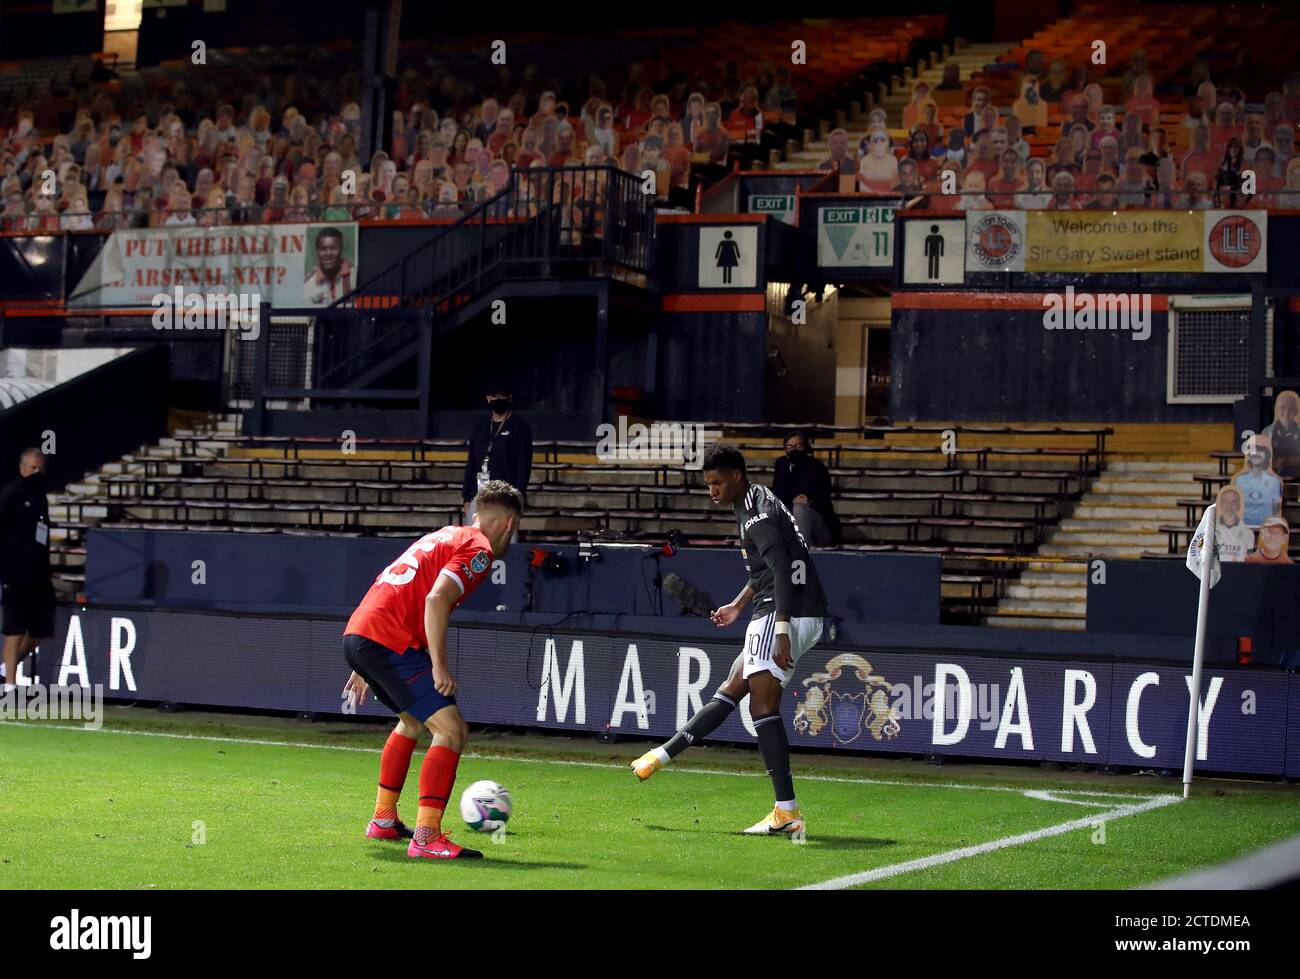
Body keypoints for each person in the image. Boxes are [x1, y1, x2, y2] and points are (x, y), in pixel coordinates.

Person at [630, 444, 829, 837]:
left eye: (717, 482)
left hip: (784, 610)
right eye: (707, 484)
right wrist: (738, 605)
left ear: (736, 475)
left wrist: (784, 630)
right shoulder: (758, 499)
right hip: (782, 608)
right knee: (733, 687)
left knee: (761, 705)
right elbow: (765, 569)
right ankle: (661, 755)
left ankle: (786, 811)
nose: (712, 491)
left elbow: (784, 570)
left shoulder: (755, 516)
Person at [341, 481, 523, 860]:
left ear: (476, 513)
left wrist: (364, 653)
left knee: (411, 721)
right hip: (386, 640)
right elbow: (436, 598)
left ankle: (384, 819)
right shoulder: (479, 549)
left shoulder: (445, 534)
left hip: (363, 632)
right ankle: (426, 838)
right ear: (509, 523)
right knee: (451, 729)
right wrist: (440, 665)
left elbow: (392, 582)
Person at [0, 449, 53, 692]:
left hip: (39, 574)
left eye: (40, 469)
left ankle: (3, 670)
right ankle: (10, 686)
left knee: (40, 630)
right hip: (15, 572)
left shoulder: (41, 496)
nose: (37, 473)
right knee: (14, 628)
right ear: (22, 468)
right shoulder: (11, 494)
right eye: (33, 468)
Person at [461, 382, 533, 525]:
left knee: (505, 542)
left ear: (509, 398)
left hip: (505, 499)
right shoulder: (481, 426)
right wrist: (466, 497)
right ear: (488, 398)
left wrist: (517, 498)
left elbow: (523, 466)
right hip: (480, 496)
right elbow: (472, 461)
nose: (498, 399)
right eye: (494, 396)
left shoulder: (519, 427)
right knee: (475, 542)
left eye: (502, 396)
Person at [771, 431, 840, 546]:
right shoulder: (781, 464)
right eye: (790, 446)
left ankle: (802, 556)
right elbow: (778, 494)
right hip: (790, 517)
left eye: (798, 446)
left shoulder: (816, 466)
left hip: (819, 525)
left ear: (805, 447)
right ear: (785, 449)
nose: (794, 450)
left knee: (800, 509)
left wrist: (807, 501)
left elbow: (822, 497)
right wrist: (792, 500)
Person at [303, 227, 353, 305]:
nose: (328, 253)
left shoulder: (354, 275)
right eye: (323, 249)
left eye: (333, 248)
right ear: (317, 252)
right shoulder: (308, 283)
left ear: (341, 249)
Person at [1213, 486, 1256, 563]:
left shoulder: (1248, 533)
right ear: (1221, 505)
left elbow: (1250, 562)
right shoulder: (1209, 530)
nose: (1229, 506)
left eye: (1233, 501)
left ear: (1239, 505)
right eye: (1225, 501)